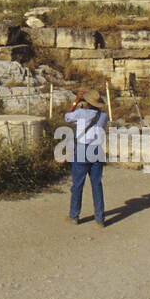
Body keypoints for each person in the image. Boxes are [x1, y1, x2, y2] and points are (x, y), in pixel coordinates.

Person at [63, 88, 108, 227]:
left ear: (87, 102)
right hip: (97, 150)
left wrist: (76, 101)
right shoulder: (104, 115)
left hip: (83, 149)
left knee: (78, 184)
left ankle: (74, 215)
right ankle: (100, 218)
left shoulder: (81, 113)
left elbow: (67, 116)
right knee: (96, 184)